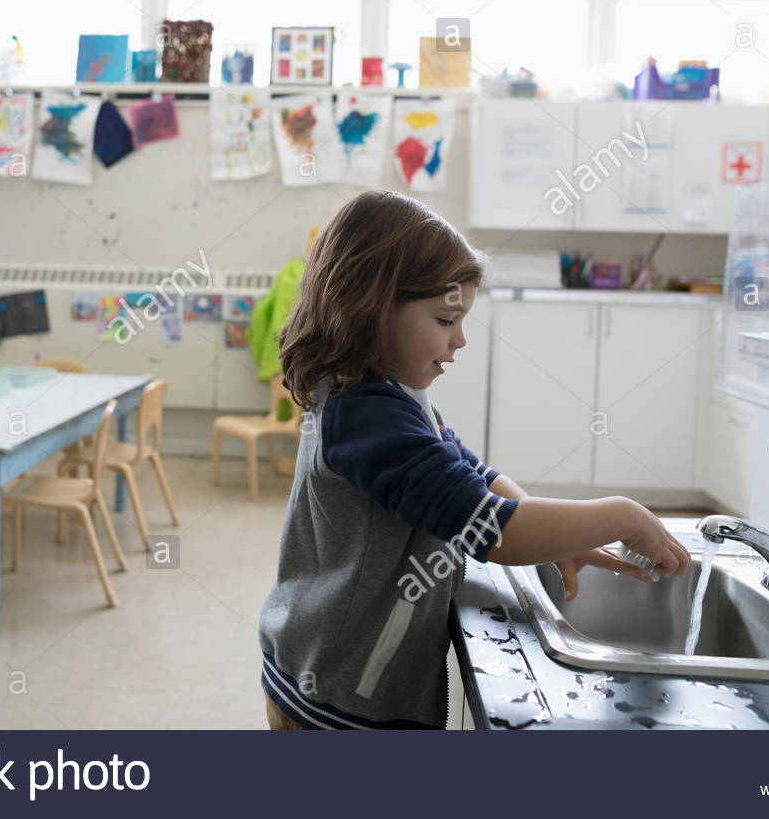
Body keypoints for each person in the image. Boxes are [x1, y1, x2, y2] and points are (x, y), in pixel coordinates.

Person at [257, 190, 690, 729]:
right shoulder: (367, 416)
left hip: (326, 672)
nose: (460, 339)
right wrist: (625, 514)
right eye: (444, 319)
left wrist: (563, 537)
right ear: (369, 308)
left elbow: (470, 475)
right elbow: (490, 530)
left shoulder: (386, 395)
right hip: (336, 698)